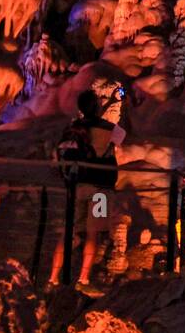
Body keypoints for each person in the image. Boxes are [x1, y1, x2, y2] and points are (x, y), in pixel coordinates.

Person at [48, 86, 126, 287]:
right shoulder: (110, 129)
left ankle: (53, 278)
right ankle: (83, 278)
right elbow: (123, 137)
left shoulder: (72, 129)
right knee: (94, 232)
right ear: (98, 107)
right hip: (100, 190)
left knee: (68, 232)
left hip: (77, 187)